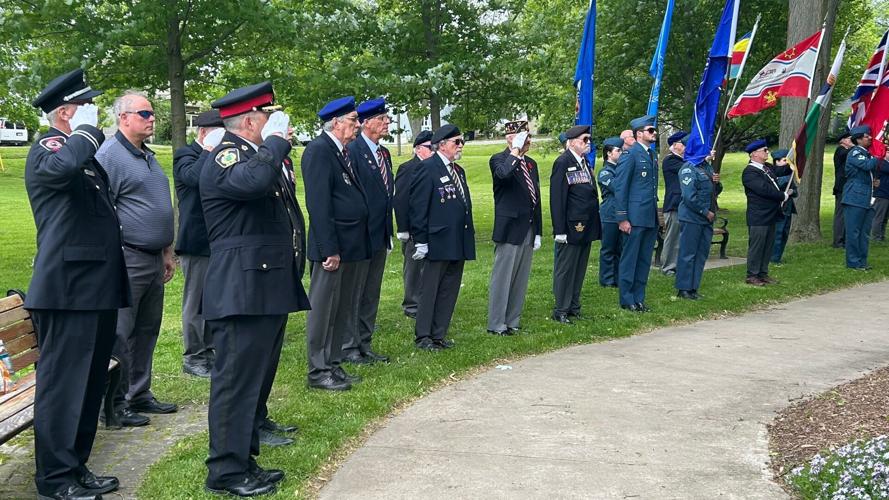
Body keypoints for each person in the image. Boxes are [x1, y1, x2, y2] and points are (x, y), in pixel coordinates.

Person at [200, 81, 310, 496]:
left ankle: (244, 461)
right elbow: (252, 183)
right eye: (267, 117)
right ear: (250, 120)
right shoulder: (228, 155)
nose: (275, 124)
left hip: (262, 284)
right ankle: (225, 471)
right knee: (234, 383)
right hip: (241, 287)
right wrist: (277, 142)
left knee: (252, 380)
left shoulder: (250, 155)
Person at [25, 68, 129, 500]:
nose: (95, 114)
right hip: (68, 290)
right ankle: (54, 479)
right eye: (86, 108)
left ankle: (75, 465)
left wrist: (84, 139)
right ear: (67, 112)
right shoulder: (50, 148)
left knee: (88, 385)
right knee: (64, 388)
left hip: (93, 287)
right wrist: (85, 133)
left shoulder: (77, 154)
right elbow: (58, 171)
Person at [97, 91, 177, 427]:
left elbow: (159, 205)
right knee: (121, 332)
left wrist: (167, 251)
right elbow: (102, 210)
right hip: (127, 258)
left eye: (152, 113)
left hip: (153, 258)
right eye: (144, 114)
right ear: (123, 117)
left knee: (147, 329)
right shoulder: (110, 156)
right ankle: (115, 404)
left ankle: (139, 393)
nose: (152, 119)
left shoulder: (147, 156)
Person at [302, 96, 370, 390]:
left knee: (341, 307)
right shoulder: (319, 151)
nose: (358, 125)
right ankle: (318, 370)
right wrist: (329, 248)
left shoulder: (341, 150)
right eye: (354, 120)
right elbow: (318, 205)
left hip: (349, 244)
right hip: (331, 246)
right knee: (323, 308)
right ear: (337, 122)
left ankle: (333, 362)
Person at [409, 124, 475, 350]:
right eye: (457, 142)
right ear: (443, 144)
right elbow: (418, 207)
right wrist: (420, 240)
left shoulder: (458, 171)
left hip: (457, 239)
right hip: (437, 240)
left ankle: (439, 333)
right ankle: (424, 336)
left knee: (449, 288)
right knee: (430, 289)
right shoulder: (428, 168)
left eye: (461, 142)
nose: (460, 146)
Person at [173, 109, 224, 379]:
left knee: (214, 299)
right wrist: (208, 149)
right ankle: (194, 354)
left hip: (219, 239)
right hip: (196, 240)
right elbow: (193, 178)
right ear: (204, 132)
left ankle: (211, 349)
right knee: (196, 302)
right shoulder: (186, 155)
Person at [343, 98, 392, 364]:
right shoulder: (354, 150)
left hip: (379, 234)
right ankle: (349, 345)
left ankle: (364, 341)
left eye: (387, 119)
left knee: (371, 292)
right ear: (366, 123)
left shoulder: (383, 153)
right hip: (361, 234)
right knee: (355, 292)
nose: (386, 123)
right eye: (382, 119)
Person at [486, 120, 542, 335]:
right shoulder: (499, 159)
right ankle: (496, 323)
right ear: (509, 138)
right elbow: (503, 175)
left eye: (528, 137)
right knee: (503, 277)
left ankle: (512, 320)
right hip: (509, 226)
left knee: (520, 277)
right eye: (522, 137)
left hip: (527, 225)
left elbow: (534, 197)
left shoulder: (531, 164)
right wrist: (515, 152)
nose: (528, 141)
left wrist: (538, 230)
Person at [549, 125, 601, 323]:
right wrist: (559, 229)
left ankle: (573, 306)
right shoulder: (563, 162)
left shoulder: (584, 162)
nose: (588, 143)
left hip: (586, 224)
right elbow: (558, 198)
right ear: (571, 142)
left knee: (579, 267)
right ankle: (561, 309)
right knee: (566, 268)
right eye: (584, 140)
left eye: (588, 139)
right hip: (570, 226)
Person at [614, 115, 659, 312]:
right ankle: (627, 298)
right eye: (651, 130)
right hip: (634, 215)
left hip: (648, 215)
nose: (654, 133)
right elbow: (621, 187)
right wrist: (622, 217)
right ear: (639, 134)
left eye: (654, 130)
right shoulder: (630, 154)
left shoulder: (651, 154)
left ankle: (639, 297)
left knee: (643, 259)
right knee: (630, 258)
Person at [394, 130, 434, 319]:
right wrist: (403, 228)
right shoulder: (408, 168)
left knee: (428, 268)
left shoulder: (434, 167)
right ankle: (411, 304)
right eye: (429, 147)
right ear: (418, 149)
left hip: (431, 227)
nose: (433, 151)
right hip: (413, 228)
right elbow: (401, 199)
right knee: (414, 268)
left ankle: (426, 302)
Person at [741, 140, 789, 286]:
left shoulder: (766, 167)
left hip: (771, 213)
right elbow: (763, 190)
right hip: (759, 215)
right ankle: (752, 274)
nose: (767, 153)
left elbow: (780, 171)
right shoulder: (750, 172)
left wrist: (793, 162)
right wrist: (782, 196)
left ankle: (763, 273)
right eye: (765, 150)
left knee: (768, 245)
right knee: (757, 245)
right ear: (754, 154)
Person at [843, 125, 888, 270]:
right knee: (854, 231)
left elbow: (866, 172)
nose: (870, 138)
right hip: (855, 197)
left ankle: (862, 261)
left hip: (867, 197)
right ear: (859, 139)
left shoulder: (866, 153)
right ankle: (853, 262)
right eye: (867, 136)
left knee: (864, 232)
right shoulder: (855, 152)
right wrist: (878, 156)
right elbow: (867, 165)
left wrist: (873, 181)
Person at [675, 155, 717, 300]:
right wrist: (705, 212)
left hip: (706, 219)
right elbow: (689, 197)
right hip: (692, 217)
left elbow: (712, 191)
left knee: (701, 254)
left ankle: (693, 287)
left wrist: (717, 182)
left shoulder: (706, 167)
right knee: (688, 254)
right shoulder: (688, 168)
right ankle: (684, 288)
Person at [660, 130, 687, 276]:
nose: (687, 146)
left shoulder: (684, 161)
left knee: (682, 238)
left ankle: (679, 265)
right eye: (684, 143)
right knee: (673, 237)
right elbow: (686, 170)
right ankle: (668, 267)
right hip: (674, 204)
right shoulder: (670, 160)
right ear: (675, 145)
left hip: (685, 205)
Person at [597, 137, 624, 288]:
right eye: (618, 150)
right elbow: (617, 188)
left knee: (620, 248)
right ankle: (607, 279)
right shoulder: (605, 172)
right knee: (608, 248)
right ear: (609, 153)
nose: (621, 153)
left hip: (621, 214)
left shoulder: (620, 169)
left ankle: (618, 278)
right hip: (609, 214)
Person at [769, 149, 797, 264]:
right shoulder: (772, 173)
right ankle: (773, 258)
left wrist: (791, 191)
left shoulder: (789, 175)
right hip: (778, 208)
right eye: (785, 160)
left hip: (788, 208)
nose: (787, 163)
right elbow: (777, 184)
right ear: (777, 162)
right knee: (778, 233)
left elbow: (795, 191)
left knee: (785, 233)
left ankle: (778, 256)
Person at [832, 132, 852, 248]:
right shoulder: (840, 150)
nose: (851, 141)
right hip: (841, 186)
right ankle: (838, 241)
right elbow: (847, 153)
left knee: (845, 214)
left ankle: (843, 239)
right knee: (840, 214)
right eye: (849, 139)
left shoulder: (846, 151)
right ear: (842, 140)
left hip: (846, 186)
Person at [870, 154, 889, 241]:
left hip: (886, 194)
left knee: (884, 217)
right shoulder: (881, 163)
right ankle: (876, 237)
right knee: (879, 217)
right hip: (881, 194)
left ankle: (881, 235)